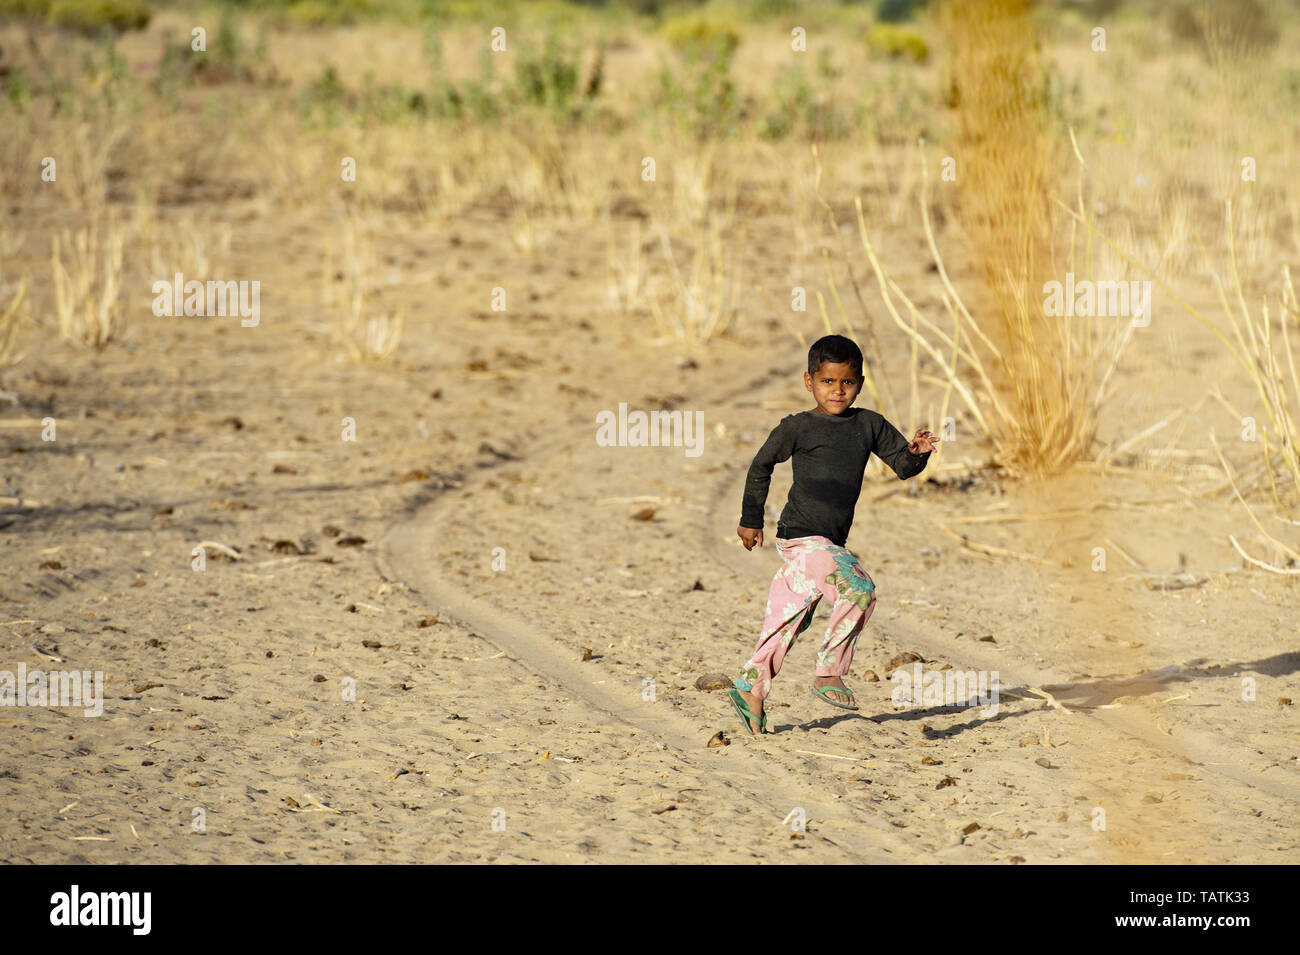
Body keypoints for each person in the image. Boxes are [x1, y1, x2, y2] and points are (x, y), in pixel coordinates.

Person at [728, 334, 939, 735]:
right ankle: (830, 671)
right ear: (809, 381)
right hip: (802, 537)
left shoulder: (869, 424)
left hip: (831, 543)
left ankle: (750, 689)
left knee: (790, 618)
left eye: (848, 382)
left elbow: (903, 467)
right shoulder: (798, 427)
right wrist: (750, 518)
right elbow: (761, 465)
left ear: (860, 382)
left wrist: (916, 452)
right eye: (828, 382)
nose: (838, 391)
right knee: (859, 588)